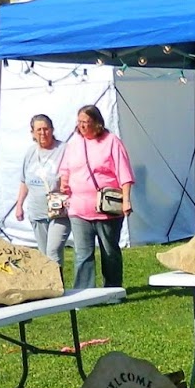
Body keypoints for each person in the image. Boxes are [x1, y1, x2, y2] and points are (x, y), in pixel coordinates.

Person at [57, 104, 134, 290]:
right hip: (78, 208)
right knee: (82, 254)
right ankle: (84, 292)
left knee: (109, 252)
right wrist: (64, 184)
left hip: (106, 209)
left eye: (86, 122)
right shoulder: (74, 143)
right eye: (79, 122)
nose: (82, 126)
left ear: (97, 122)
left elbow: (124, 172)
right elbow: (65, 169)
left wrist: (126, 200)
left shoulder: (111, 141)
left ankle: (113, 290)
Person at [13, 114, 69, 272]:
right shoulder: (30, 152)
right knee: (44, 255)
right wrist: (19, 205)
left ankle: (57, 282)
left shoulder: (64, 149)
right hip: (37, 211)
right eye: (38, 130)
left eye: (46, 129)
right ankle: (51, 284)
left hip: (59, 211)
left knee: (53, 251)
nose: (43, 133)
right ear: (32, 133)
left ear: (52, 130)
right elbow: (24, 181)